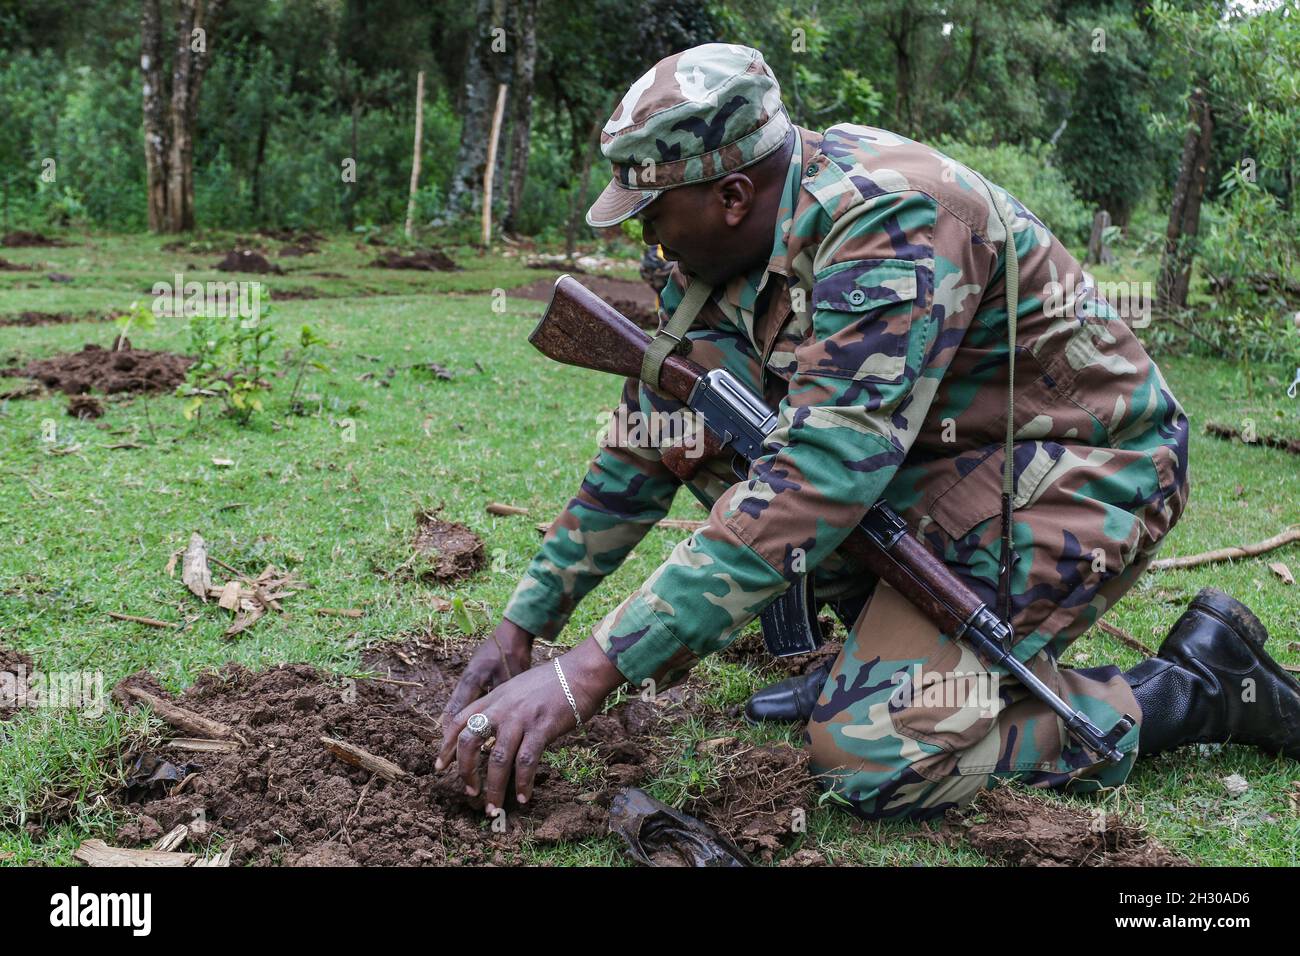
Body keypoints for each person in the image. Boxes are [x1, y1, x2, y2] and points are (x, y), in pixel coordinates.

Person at [437, 43, 1300, 821]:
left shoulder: (890, 224)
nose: (645, 238)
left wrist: (585, 673)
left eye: (653, 213)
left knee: (872, 757)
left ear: (732, 194)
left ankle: (1195, 693)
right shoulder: (715, 258)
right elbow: (648, 436)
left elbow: (816, 480)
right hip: (943, 470)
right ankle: (884, 661)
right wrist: (524, 626)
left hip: (1088, 470)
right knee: (720, 433)